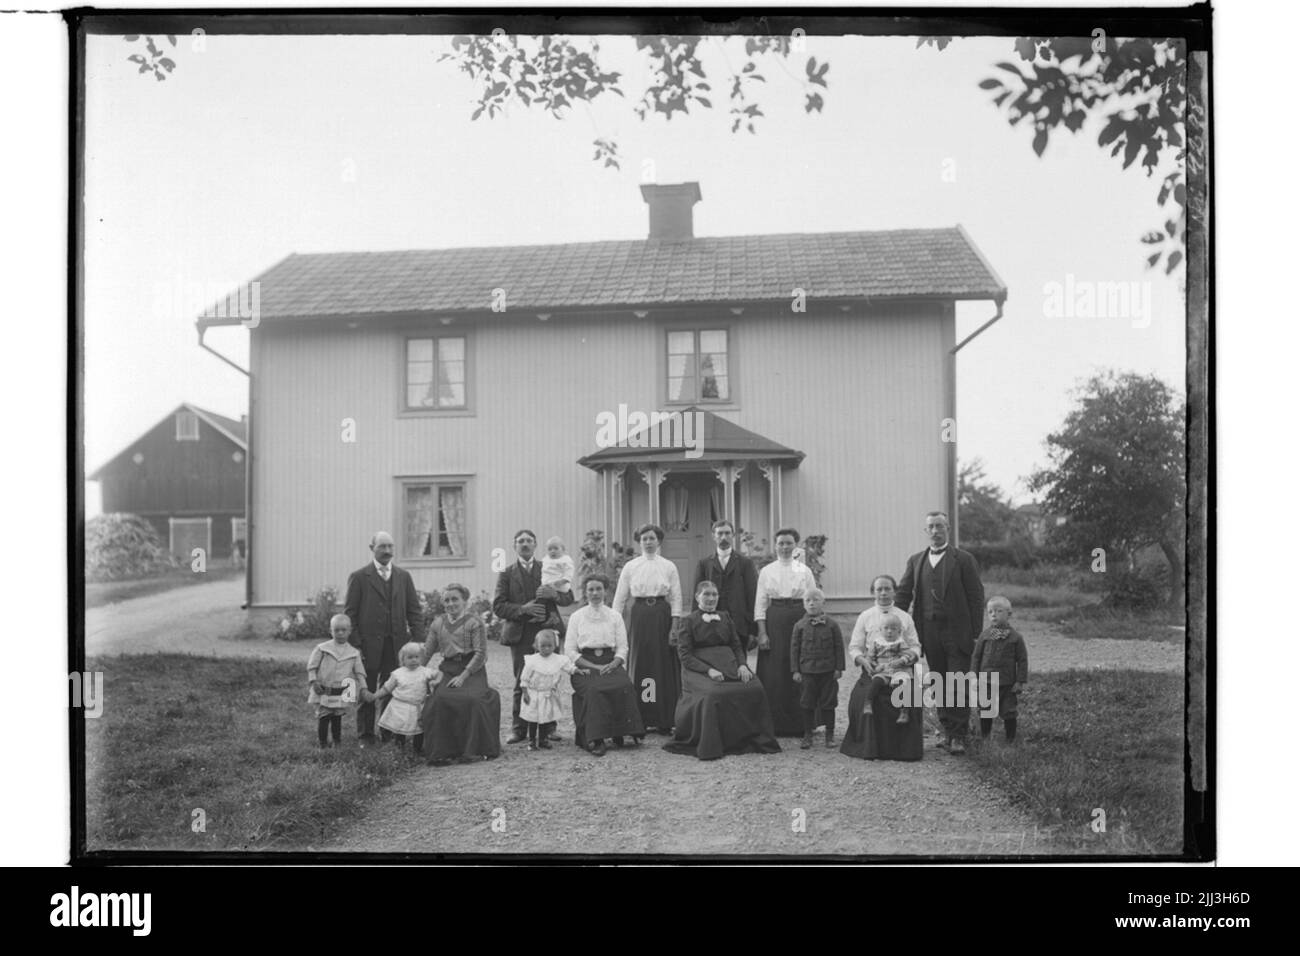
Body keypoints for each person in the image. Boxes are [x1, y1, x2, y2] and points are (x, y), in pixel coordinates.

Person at [895, 511, 986, 755]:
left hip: (958, 631)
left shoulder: (964, 559)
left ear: (947, 529)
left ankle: (959, 736)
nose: (935, 531)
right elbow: (903, 594)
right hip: (929, 631)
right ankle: (947, 731)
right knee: (939, 681)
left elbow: (976, 598)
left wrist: (976, 632)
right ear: (926, 531)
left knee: (957, 681)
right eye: (931, 527)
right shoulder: (916, 560)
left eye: (939, 526)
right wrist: (894, 623)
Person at [663, 581, 780, 761]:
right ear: (697, 597)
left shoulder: (725, 617)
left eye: (714, 595)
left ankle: (749, 738)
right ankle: (713, 743)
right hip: (698, 670)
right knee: (713, 693)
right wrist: (708, 670)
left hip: (730, 665)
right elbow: (685, 655)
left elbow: (735, 645)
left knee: (755, 687)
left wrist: (742, 664)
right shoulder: (688, 621)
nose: (711, 598)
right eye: (706, 594)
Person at [494, 529, 575, 744]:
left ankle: (549, 728)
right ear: (515, 546)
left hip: (547, 632)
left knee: (551, 679)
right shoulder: (507, 573)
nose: (525, 544)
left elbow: (569, 598)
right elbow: (498, 606)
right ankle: (518, 728)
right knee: (523, 680)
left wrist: (554, 595)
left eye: (529, 541)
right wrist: (523, 609)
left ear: (536, 545)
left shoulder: (550, 567)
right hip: (521, 633)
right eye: (520, 541)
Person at [344, 531, 423, 743]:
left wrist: (417, 639)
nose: (387, 551)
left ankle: (387, 732)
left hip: (396, 644)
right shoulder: (360, 577)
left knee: (391, 689)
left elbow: (414, 610)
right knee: (367, 689)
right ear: (372, 548)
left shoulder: (403, 577)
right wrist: (357, 645)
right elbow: (350, 614)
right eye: (382, 547)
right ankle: (366, 735)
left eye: (390, 546)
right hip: (368, 645)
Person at [612, 524, 683, 734]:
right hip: (640, 614)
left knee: (662, 665)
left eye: (652, 538)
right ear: (639, 541)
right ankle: (643, 716)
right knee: (642, 664)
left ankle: (663, 718)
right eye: (644, 539)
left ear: (659, 541)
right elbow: (620, 598)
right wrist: (615, 625)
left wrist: (675, 626)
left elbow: (677, 597)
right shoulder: (631, 566)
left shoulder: (669, 566)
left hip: (661, 613)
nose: (648, 542)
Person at [420, 583, 502, 765]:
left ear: (464, 600)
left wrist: (463, 676)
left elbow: (481, 654)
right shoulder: (438, 623)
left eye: (455, 599)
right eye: (447, 600)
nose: (450, 603)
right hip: (448, 669)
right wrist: (413, 672)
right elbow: (427, 651)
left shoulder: (475, 622)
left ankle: (471, 750)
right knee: (439, 700)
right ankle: (442, 752)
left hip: (472, 670)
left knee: (472, 700)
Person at [566, 573, 646, 756]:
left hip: (611, 663)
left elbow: (623, 647)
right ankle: (597, 738)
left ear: (606, 591)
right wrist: (594, 667)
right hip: (585, 666)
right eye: (591, 590)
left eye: (599, 589)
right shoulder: (577, 617)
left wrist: (615, 663)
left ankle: (620, 732)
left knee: (625, 685)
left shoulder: (614, 616)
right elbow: (570, 651)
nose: (595, 593)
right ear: (585, 593)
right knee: (595, 690)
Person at [754, 528, 817, 736]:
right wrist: (762, 633)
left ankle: (802, 723)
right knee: (775, 668)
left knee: (799, 666)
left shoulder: (804, 571)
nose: (784, 547)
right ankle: (774, 722)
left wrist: (812, 625)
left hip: (799, 616)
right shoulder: (767, 571)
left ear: (795, 545)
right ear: (775, 545)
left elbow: (813, 599)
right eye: (781, 543)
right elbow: (760, 604)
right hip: (775, 619)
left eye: (789, 543)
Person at [690, 519, 760, 652]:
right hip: (710, 624)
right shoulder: (704, 564)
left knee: (739, 665)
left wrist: (752, 629)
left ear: (733, 536)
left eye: (727, 533)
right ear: (713, 536)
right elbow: (697, 597)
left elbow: (752, 597)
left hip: (739, 625)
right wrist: (695, 624)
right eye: (720, 533)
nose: (724, 537)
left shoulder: (745, 563)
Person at [307, 614, 373, 748]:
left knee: (337, 718)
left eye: (344, 630)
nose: (340, 633)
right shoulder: (322, 648)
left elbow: (360, 673)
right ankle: (323, 744)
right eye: (336, 630)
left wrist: (364, 689)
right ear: (330, 631)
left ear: (350, 631)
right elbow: (312, 667)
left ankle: (337, 742)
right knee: (324, 717)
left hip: (340, 692)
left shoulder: (353, 653)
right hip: (324, 690)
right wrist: (314, 681)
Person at [790, 588, 845, 749]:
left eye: (816, 600)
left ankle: (830, 734)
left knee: (829, 703)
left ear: (823, 602)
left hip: (828, 671)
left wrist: (839, 668)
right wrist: (796, 670)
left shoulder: (832, 625)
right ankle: (808, 734)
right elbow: (794, 649)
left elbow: (838, 646)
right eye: (808, 600)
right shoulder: (799, 626)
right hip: (807, 671)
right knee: (807, 702)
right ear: (803, 604)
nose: (812, 603)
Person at [971, 596, 1029, 743]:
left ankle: (1010, 740)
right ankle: (985, 738)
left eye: (998, 611)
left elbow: (1022, 660)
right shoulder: (984, 636)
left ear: (1009, 614)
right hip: (986, 681)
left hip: (1007, 683)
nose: (994, 614)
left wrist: (1020, 681)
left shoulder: (1015, 638)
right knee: (986, 710)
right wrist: (974, 677)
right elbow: (976, 657)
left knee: (1009, 711)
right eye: (990, 612)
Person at [374, 641, 436, 752]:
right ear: (402, 660)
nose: (414, 660)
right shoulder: (398, 673)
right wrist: (374, 696)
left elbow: (437, 674)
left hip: (418, 706)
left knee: (419, 729)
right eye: (410, 657)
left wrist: (436, 681)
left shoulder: (425, 672)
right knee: (400, 729)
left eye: (417, 657)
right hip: (400, 707)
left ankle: (417, 750)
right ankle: (400, 749)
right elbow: (387, 688)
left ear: (421, 658)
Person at [520, 629, 576, 750]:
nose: (546, 649)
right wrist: (525, 693)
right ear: (536, 645)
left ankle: (543, 740)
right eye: (543, 646)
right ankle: (532, 741)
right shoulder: (532, 661)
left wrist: (577, 670)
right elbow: (524, 678)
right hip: (534, 694)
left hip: (547, 694)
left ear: (555, 646)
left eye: (549, 646)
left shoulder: (557, 659)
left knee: (545, 718)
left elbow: (569, 668)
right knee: (533, 719)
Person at [861, 612, 919, 723]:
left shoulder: (901, 643)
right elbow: (870, 658)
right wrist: (875, 667)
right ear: (880, 630)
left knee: (902, 686)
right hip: (883, 671)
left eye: (893, 629)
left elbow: (909, 654)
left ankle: (904, 711)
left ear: (899, 631)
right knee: (876, 682)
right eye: (886, 628)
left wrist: (902, 660)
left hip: (899, 670)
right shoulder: (877, 643)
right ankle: (868, 703)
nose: (889, 631)